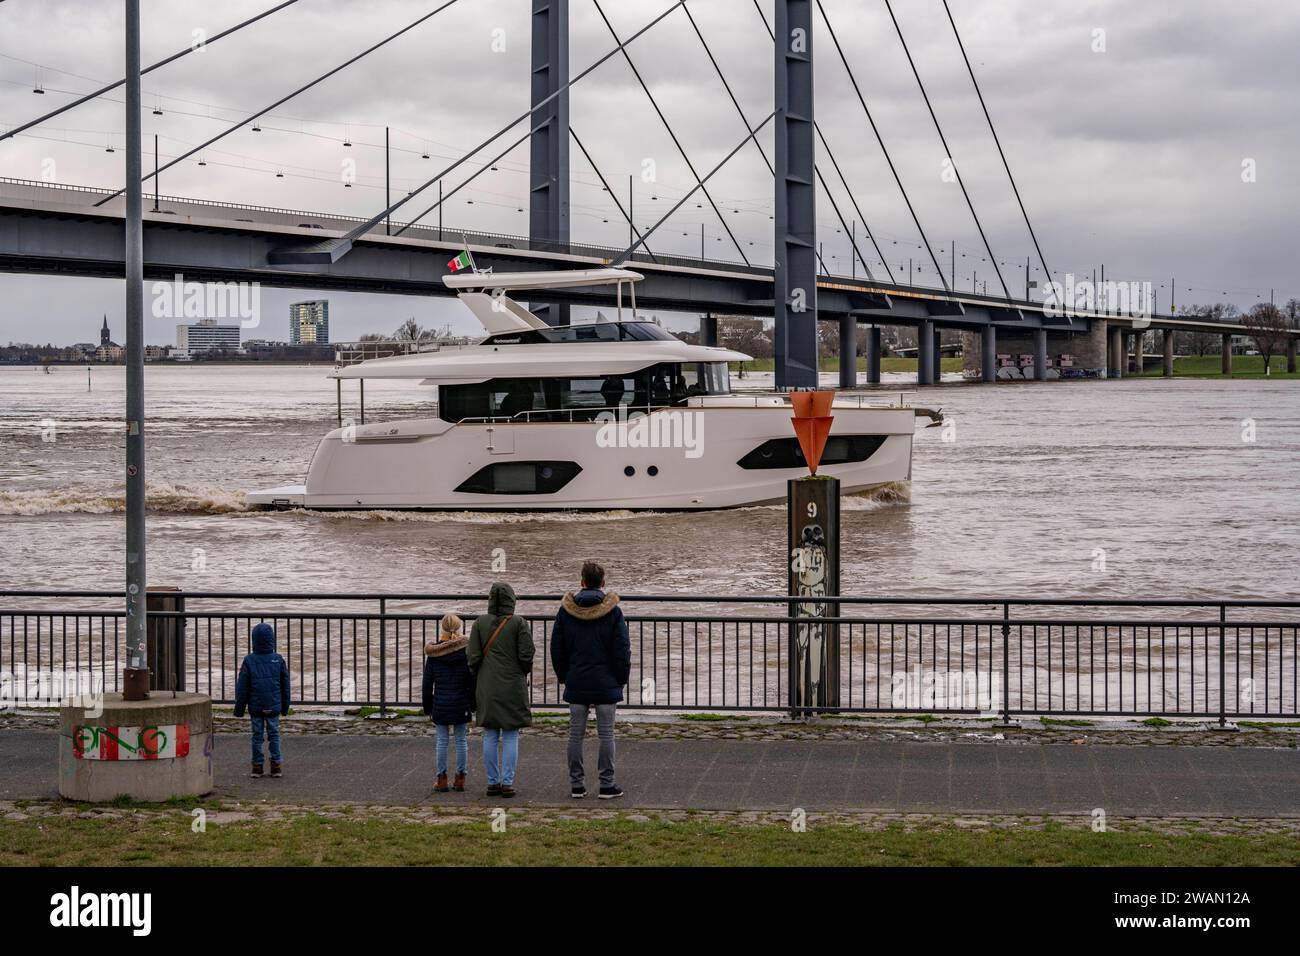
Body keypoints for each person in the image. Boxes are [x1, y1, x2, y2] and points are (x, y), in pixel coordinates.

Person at [550, 561, 631, 800]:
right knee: (607, 734)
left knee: (576, 734)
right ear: (603, 583)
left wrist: (565, 676)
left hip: (576, 679)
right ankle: (607, 784)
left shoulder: (566, 611)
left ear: (582, 582)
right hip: (606, 681)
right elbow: (622, 651)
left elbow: (557, 649)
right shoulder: (614, 612)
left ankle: (577, 785)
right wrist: (620, 679)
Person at [467, 582, 534, 798]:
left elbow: (473, 657)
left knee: (490, 733)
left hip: (487, 684)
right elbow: (526, 655)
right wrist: (522, 672)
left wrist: (481, 675)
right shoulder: (519, 623)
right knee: (511, 733)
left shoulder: (479, 624)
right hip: (513, 683)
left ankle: (492, 782)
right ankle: (507, 782)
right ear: (511, 601)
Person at [422, 612, 474, 793]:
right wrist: (472, 703)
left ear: (442, 628)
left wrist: (427, 706)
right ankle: (460, 778)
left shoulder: (434, 654)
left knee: (442, 741)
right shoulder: (466, 652)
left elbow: (427, 683)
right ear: (459, 628)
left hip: (441, 703)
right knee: (461, 740)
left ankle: (441, 778)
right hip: (461, 702)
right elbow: (471, 680)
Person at [234, 622, 290, 779]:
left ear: (254, 641)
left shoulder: (249, 661)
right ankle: (276, 765)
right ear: (271, 640)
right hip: (273, 705)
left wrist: (239, 710)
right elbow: (286, 687)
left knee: (257, 736)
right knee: (275, 734)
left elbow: (242, 688)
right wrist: (285, 707)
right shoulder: (278, 660)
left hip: (256, 706)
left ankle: (257, 767)